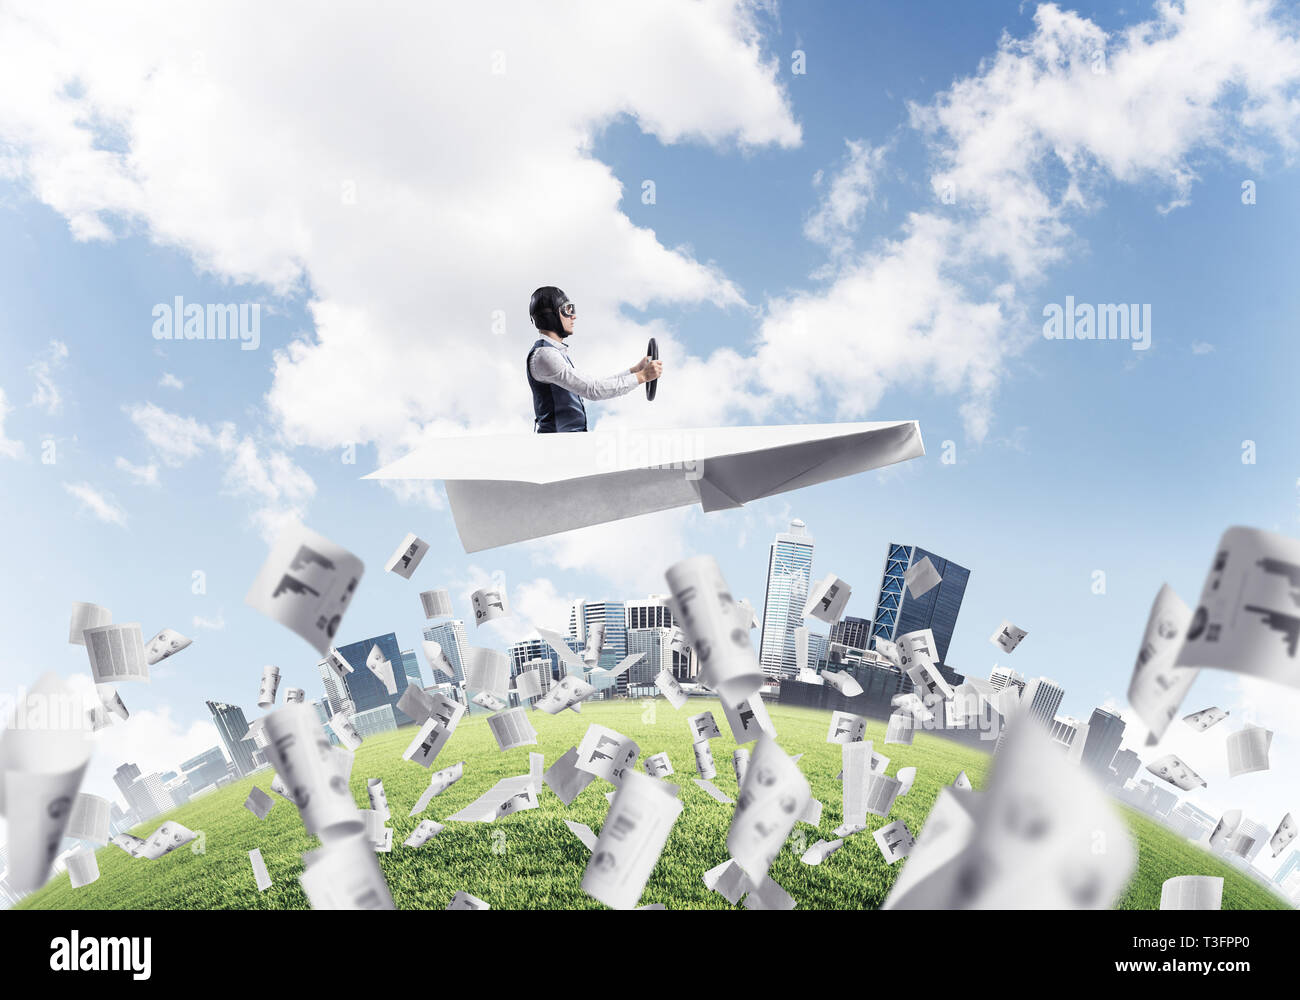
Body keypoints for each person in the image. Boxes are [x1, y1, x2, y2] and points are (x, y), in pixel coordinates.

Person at [525, 285, 662, 433]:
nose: (574, 316)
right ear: (551, 316)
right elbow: (593, 390)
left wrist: (634, 371)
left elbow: (595, 384)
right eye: (567, 310)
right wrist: (642, 376)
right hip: (560, 446)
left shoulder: (553, 353)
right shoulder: (545, 356)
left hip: (567, 442)